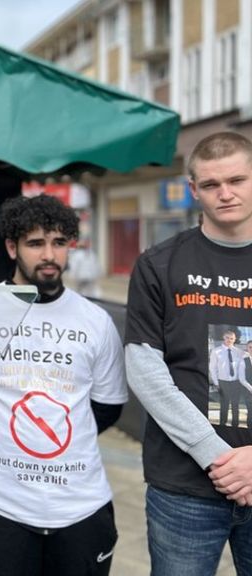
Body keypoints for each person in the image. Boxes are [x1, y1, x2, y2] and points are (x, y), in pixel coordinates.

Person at [0, 194, 127, 575]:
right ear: (12, 247)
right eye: (35, 243)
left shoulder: (95, 321)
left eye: (59, 243)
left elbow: (107, 406)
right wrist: (8, 439)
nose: (49, 255)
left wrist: (57, 435)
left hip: (80, 507)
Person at [125, 131, 252, 575]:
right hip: (183, 487)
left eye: (237, 179)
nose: (227, 193)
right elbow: (143, 370)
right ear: (193, 190)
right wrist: (217, 455)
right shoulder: (159, 263)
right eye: (212, 185)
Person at [210, 330, 243, 427]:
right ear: (224, 338)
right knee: (224, 405)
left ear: (235, 340)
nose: (229, 340)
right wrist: (216, 383)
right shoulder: (216, 351)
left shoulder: (238, 351)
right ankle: (222, 425)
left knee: (235, 405)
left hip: (236, 382)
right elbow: (213, 368)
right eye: (227, 338)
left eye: (231, 338)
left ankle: (235, 425)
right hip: (223, 382)